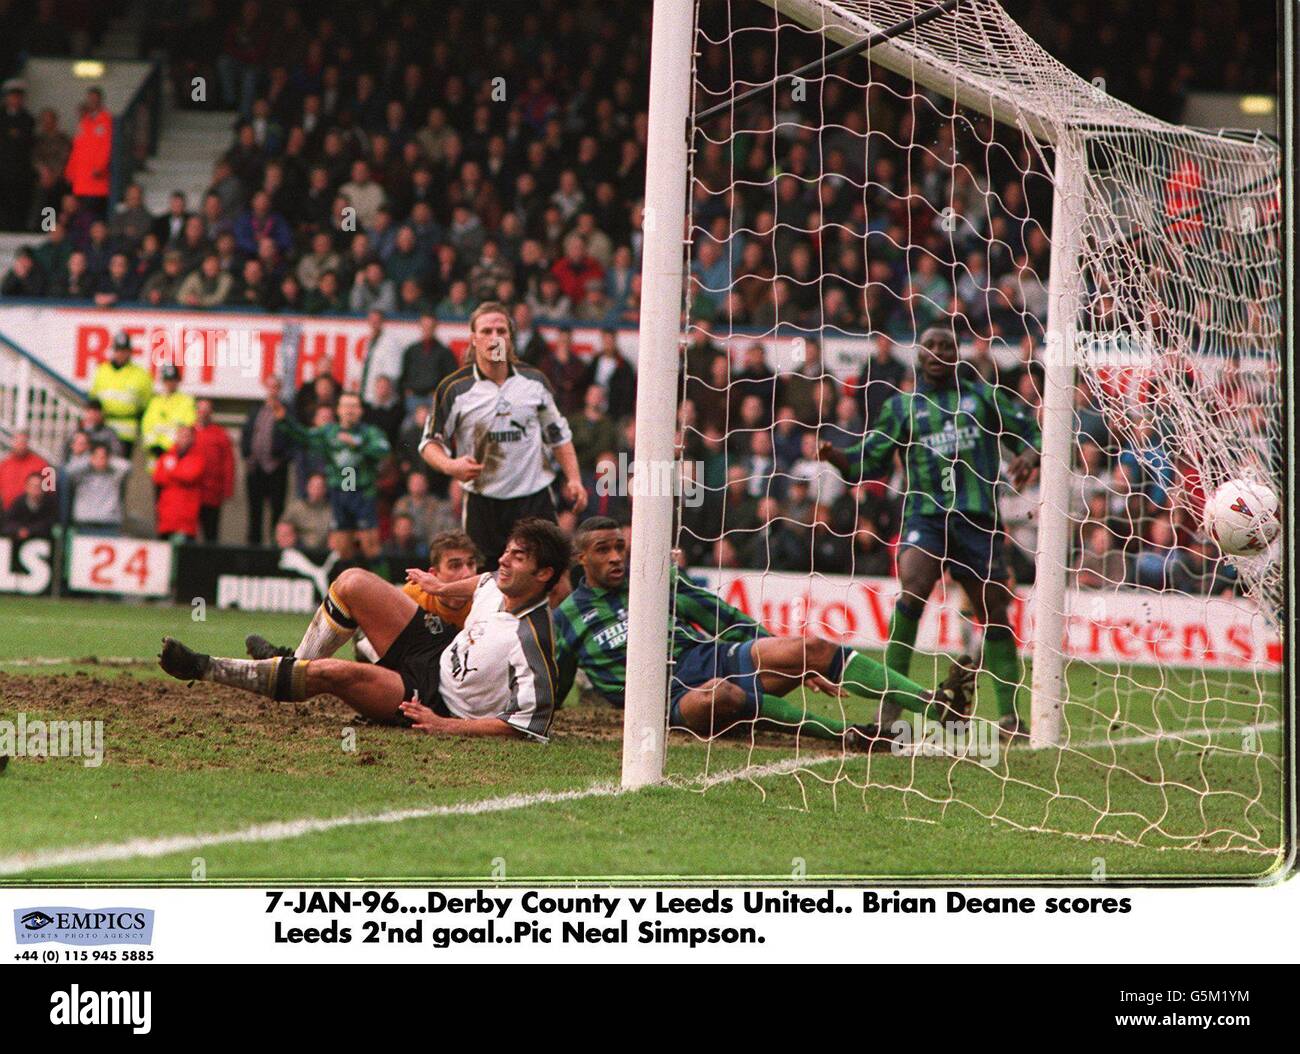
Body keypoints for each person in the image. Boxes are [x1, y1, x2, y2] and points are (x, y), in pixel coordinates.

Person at [554, 518, 975, 745]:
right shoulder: (568, 617)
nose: (615, 557)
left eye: (619, 548)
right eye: (603, 550)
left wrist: (788, 656)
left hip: (707, 657)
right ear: (579, 558)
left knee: (814, 646)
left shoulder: (652, 582)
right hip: (669, 698)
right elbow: (556, 681)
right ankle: (841, 735)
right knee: (724, 694)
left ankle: (937, 705)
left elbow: (726, 618)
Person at [818, 325, 1041, 741]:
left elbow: (1031, 431)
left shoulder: (983, 396)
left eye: (946, 346)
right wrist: (839, 459)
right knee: (914, 587)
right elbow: (872, 460)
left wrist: (1029, 454)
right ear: (919, 356)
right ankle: (889, 711)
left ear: (957, 354)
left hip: (977, 518)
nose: (938, 352)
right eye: (931, 346)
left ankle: (1010, 719)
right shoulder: (904, 407)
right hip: (926, 516)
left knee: (992, 607)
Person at [160, 519, 568, 742]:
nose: (504, 561)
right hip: (436, 647)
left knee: (333, 675)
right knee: (352, 581)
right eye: (508, 551)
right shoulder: (498, 582)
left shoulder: (533, 639)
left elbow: (527, 725)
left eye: (518, 557)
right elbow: (482, 581)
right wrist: (442, 587)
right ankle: (292, 660)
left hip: (433, 698)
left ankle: (204, 666)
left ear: (544, 573)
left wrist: (447, 725)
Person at [419, 301, 586, 570]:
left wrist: (575, 478)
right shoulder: (454, 389)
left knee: (554, 578)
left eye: (501, 331)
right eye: (486, 331)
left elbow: (558, 436)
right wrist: (451, 466)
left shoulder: (534, 382)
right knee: (487, 584)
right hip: (483, 502)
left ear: (511, 338)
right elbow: (429, 443)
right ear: (473, 339)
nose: (494, 337)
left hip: (533, 496)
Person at [275, 390, 390, 562]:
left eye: (354, 406)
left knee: (371, 547)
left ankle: (384, 588)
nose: (350, 410)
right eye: (346, 406)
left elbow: (383, 450)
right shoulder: (329, 432)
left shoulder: (369, 433)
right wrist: (285, 420)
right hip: (340, 493)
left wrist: (357, 445)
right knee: (342, 550)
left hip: (362, 494)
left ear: (360, 411)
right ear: (339, 410)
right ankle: (346, 588)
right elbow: (305, 436)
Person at [89, 331, 153, 458]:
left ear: (130, 352)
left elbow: (146, 404)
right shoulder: (102, 371)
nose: (121, 354)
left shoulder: (141, 375)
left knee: (121, 467)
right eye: (118, 350)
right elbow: (94, 399)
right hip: (103, 427)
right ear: (113, 351)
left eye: (124, 350)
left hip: (126, 431)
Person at [64, 442, 132, 535]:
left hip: (109, 522)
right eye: (96, 456)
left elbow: (127, 467)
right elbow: (68, 470)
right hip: (85, 522)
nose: (100, 460)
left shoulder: (115, 474)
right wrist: (89, 461)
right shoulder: (81, 473)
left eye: (103, 457)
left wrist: (110, 460)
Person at [64, 86, 112, 218]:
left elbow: (107, 148)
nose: (92, 103)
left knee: (91, 216)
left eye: (95, 100)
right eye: (90, 100)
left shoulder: (107, 121)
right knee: (78, 215)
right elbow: (76, 150)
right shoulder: (83, 122)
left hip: (96, 182)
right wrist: (70, 171)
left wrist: (100, 168)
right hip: (80, 181)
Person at [398, 312, 457, 416]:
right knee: (409, 428)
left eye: (430, 326)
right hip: (413, 398)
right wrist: (406, 390)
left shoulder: (445, 352)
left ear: (435, 327)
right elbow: (404, 373)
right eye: (425, 326)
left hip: (433, 398)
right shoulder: (411, 350)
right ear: (420, 326)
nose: (427, 329)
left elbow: (451, 378)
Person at [193, 399, 235, 542]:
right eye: (200, 410)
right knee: (190, 534)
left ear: (211, 413)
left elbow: (228, 462)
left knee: (211, 533)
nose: (203, 414)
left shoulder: (220, 434)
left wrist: (228, 488)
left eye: (206, 410)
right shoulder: (189, 432)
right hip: (191, 493)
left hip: (212, 493)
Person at [153, 425, 205, 540]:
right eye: (181, 435)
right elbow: (158, 477)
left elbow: (190, 476)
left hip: (186, 517)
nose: (184, 439)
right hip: (167, 515)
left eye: (187, 436)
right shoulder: (167, 456)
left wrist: (171, 471)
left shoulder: (198, 458)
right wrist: (178, 473)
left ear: (192, 438)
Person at [279, 471, 332, 549]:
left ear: (325, 489)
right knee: (284, 529)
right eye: (313, 486)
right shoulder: (296, 508)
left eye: (319, 487)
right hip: (299, 552)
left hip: (325, 551)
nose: (316, 490)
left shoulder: (333, 509)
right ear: (307, 487)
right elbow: (282, 527)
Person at [3, 471, 56, 541]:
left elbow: (50, 523)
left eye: (39, 486)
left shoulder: (49, 503)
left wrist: (30, 530)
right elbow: (8, 522)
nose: (36, 489)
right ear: (26, 487)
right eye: (33, 486)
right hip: (18, 539)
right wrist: (19, 530)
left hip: (42, 539)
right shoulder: (18, 503)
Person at [0, 431, 47, 509]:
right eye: (17, 442)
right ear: (12, 443)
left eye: (23, 442)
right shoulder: (4, 465)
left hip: (31, 512)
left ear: (28, 444)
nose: (20, 446)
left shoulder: (40, 464)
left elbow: (50, 491)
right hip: (7, 511)